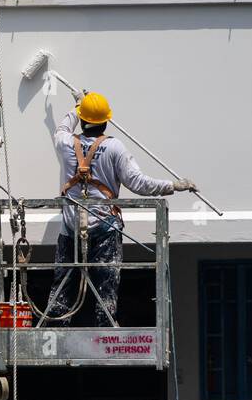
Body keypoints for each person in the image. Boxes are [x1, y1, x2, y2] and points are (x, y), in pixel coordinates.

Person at [45, 90, 195, 326]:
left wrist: (77, 105)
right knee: (106, 290)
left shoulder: (65, 143)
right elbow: (139, 183)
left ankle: (53, 335)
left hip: (72, 227)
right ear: (105, 121)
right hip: (105, 227)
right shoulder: (115, 148)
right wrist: (173, 186)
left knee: (62, 289)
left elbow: (62, 126)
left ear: (83, 120)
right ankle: (104, 335)